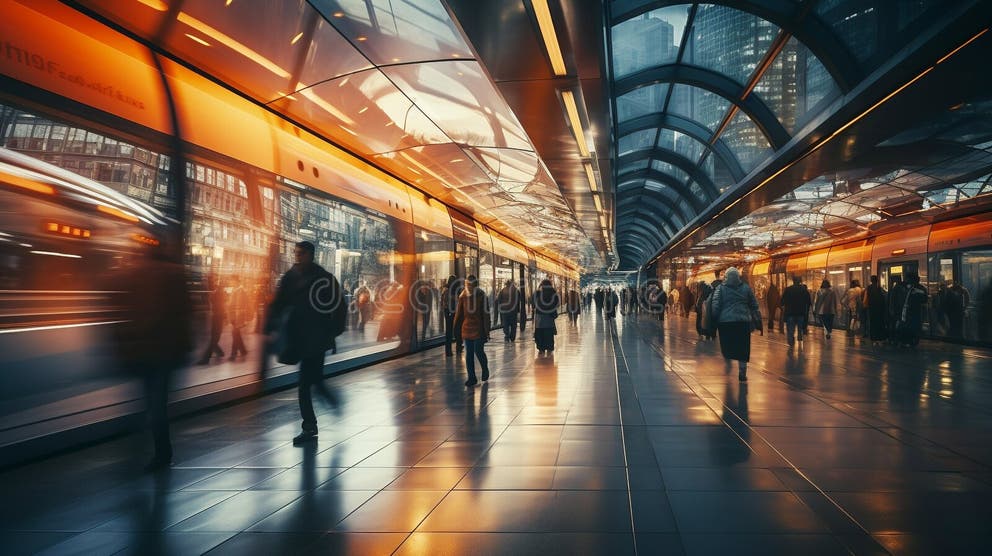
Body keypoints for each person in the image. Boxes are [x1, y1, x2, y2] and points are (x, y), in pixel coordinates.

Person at [116, 234, 192, 470]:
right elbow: (186, 312)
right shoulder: (176, 273)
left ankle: (139, 450)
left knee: (147, 401)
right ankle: (161, 452)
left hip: (142, 349)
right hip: (167, 351)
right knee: (159, 404)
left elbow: (126, 311)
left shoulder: (134, 272)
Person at [266, 241, 344, 445]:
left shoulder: (323, 278)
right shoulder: (291, 277)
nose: (297, 256)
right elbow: (278, 303)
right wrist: (270, 326)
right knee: (313, 381)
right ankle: (328, 406)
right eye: (296, 253)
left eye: (300, 253)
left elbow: (339, 306)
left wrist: (333, 331)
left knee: (305, 384)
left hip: (317, 338)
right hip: (301, 338)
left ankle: (310, 426)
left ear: (310, 254)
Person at [711, 267, 759, 382]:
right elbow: (754, 304)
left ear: (726, 277)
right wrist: (755, 316)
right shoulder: (746, 288)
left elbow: (716, 305)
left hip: (726, 323)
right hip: (743, 322)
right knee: (743, 347)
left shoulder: (720, 288)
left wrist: (714, 318)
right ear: (738, 277)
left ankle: (729, 360)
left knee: (727, 345)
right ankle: (742, 371)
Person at [453, 274, 490, 386]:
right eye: (467, 285)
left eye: (470, 285)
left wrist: (487, 331)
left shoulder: (481, 296)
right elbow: (459, 314)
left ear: (475, 285)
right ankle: (472, 378)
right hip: (466, 329)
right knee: (468, 355)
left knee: (478, 351)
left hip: (478, 329)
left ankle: (485, 369)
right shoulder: (463, 296)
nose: (468, 287)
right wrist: (456, 328)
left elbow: (486, 315)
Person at [197, 275, 226, 364]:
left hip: (217, 317)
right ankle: (218, 353)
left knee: (214, 337)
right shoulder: (218, 292)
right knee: (215, 337)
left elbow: (216, 304)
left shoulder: (218, 293)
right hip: (217, 317)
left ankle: (207, 358)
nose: (216, 283)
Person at [895, 273, 928, 346]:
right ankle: (908, 340)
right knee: (908, 326)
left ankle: (911, 341)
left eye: (908, 279)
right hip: (908, 311)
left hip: (914, 311)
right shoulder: (910, 287)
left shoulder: (918, 289)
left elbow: (924, 299)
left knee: (912, 326)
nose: (907, 281)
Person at [781, 275, 811, 347]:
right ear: (800, 281)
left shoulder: (788, 289)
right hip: (801, 313)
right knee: (800, 327)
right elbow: (808, 301)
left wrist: (785, 306)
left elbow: (782, 301)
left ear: (793, 281)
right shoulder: (804, 290)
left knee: (790, 329)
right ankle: (800, 335)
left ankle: (791, 341)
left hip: (790, 313)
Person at [533, 278, 560, 353]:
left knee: (540, 332)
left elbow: (533, 303)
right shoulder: (553, 293)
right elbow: (557, 304)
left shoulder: (538, 293)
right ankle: (549, 348)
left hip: (539, 316)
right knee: (549, 332)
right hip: (549, 316)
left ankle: (541, 348)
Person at [228, 275, 249, 359]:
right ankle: (243, 351)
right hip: (234, 315)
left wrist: (241, 318)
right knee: (236, 334)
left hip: (238, 316)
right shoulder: (235, 289)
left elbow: (242, 304)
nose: (230, 282)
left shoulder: (240, 290)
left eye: (232, 281)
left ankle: (233, 354)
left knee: (235, 334)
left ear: (236, 281)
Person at [863, 275, 888, 345]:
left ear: (871, 280)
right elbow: (885, 297)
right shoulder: (880, 288)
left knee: (872, 324)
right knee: (880, 323)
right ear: (877, 280)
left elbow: (865, 300)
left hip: (871, 309)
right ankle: (880, 338)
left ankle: (874, 339)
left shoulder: (868, 288)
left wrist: (865, 307)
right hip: (880, 310)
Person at [443, 275, 461, 356]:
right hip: (451, 312)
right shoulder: (450, 291)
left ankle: (449, 350)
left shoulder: (446, 290)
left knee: (449, 331)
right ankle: (455, 348)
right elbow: (456, 300)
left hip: (448, 312)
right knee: (455, 330)